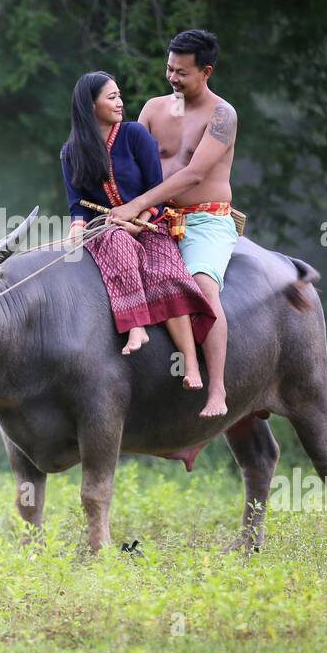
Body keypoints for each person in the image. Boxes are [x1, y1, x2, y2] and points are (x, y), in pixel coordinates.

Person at [105, 30, 238, 418]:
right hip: (154, 217)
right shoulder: (153, 108)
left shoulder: (222, 115)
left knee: (202, 287)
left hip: (204, 220)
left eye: (182, 72)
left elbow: (195, 174)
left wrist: (138, 205)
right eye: (168, 68)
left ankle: (217, 390)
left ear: (206, 71)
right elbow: (130, 165)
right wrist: (131, 211)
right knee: (110, 261)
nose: (172, 78)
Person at [61, 71, 216, 388]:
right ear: (90, 106)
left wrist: (138, 217)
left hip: (150, 223)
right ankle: (137, 327)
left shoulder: (134, 135)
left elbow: (156, 191)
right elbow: (78, 205)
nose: (121, 103)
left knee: (166, 274)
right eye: (112, 97)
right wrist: (76, 230)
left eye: (119, 96)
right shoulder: (71, 152)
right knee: (117, 241)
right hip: (106, 230)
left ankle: (191, 366)